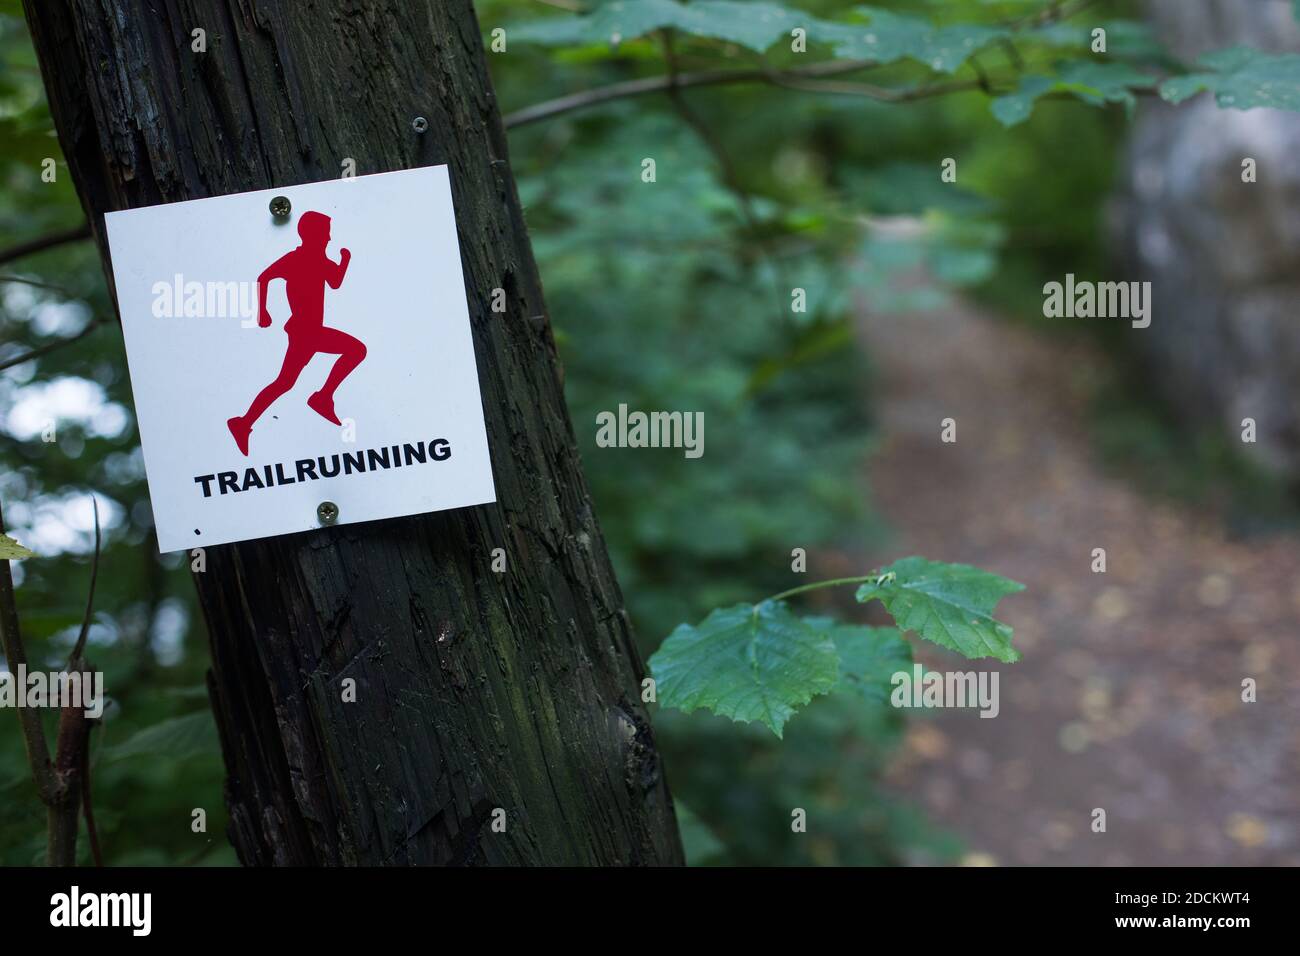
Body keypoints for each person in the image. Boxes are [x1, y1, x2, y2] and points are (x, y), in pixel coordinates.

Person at [227, 210, 366, 456]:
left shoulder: (320, 261)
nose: (330, 239)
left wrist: (344, 261)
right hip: (304, 332)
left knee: (284, 382)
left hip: (311, 332)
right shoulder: (295, 259)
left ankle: (245, 422)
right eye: (326, 235)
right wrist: (262, 312)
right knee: (354, 351)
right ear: (314, 236)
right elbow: (264, 278)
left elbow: (335, 282)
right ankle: (320, 399)